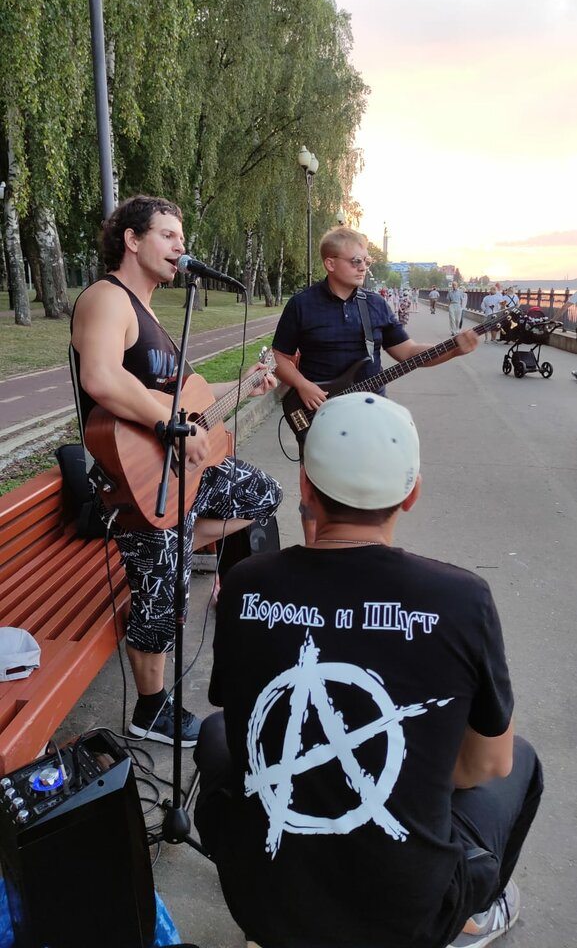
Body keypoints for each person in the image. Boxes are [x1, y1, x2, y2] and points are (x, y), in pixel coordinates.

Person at [194, 393, 543, 948]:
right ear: (412, 494)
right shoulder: (460, 598)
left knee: (214, 733)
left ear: (305, 487)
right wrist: (403, 767)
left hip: (260, 901)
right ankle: (471, 915)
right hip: (410, 917)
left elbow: (240, 719)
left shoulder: (245, 583)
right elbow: (486, 765)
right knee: (520, 759)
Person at [70, 195, 282, 747]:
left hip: (171, 465)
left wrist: (244, 389)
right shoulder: (106, 298)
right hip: (133, 477)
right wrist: (173, 422)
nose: (180, 247)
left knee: (262, 492)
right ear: (132, 240)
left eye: (181, 239)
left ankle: (182, 534)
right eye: (168, 236)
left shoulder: (154, 318)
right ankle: (150, 708)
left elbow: (187, 405)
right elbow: (101, 379)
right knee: (161, 590)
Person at [271, 226, 479, 543]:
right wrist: (303, 385)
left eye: (366, 261)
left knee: (368, 487)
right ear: (330, 263)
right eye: (355, 261)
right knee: (315, 491)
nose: (363, 268)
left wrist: (452, 349)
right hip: (317, 411)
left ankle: (365, 555)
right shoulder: (302, 305)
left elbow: (408, 353)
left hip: (369, 413)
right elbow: (281, 358)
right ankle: (315, 554)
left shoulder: (375, 305)